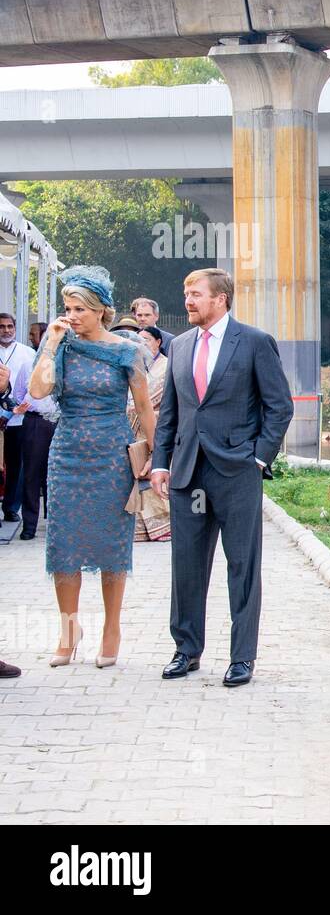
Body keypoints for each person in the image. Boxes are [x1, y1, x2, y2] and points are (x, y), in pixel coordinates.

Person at [150, 268, 293, 688]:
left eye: (195, 294)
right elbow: (170, 414)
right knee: (187, 566)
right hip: (188, 471)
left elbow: (279, 407)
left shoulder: (253, 342)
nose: (188, 301)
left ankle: (242, 657)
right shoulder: (179, 347)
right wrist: (161, 462)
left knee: (243, 565)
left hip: (236, 473)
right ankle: (186, 650)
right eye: (186, 293)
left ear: (221, 299)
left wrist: (258, 459)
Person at [29, 266, 155, 669]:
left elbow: (143, 406)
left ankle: (112, 628)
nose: (72, 315)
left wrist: (155, 455)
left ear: (101, 310)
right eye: (67, 308)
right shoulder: (62, 346)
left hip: (112, 456)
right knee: (64, 546)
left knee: (110, 546)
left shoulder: (126, 350)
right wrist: (50, 344)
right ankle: (68, 631)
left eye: (80, 308)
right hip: (66, 455)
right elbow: (36, 392)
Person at [8, 327, 59, 540]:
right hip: (35, 421)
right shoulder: (30, 363)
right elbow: (18, 393)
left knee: (56, 474)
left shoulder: (65, 363)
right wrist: (23, 406)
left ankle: (55, 523)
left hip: (60, 421)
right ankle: (29, 525)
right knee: (31, 473)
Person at [127, 325, 170, 542]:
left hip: (158, 430)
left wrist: (152, 415)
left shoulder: (166, 366)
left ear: (158, 342)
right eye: (138, 340)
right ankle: (139, 530)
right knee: (135, 478)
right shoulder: (134, 366)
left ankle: (163, 527)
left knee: (154, 474)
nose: (142, 344)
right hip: (132, 433)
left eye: (147, 340)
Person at [0, 312, 36, 523]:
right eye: (2, 327)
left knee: (16, 465)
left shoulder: (27, 353)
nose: (6, 330)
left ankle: (12, 507)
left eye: (9, 326)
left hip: (18, 418)